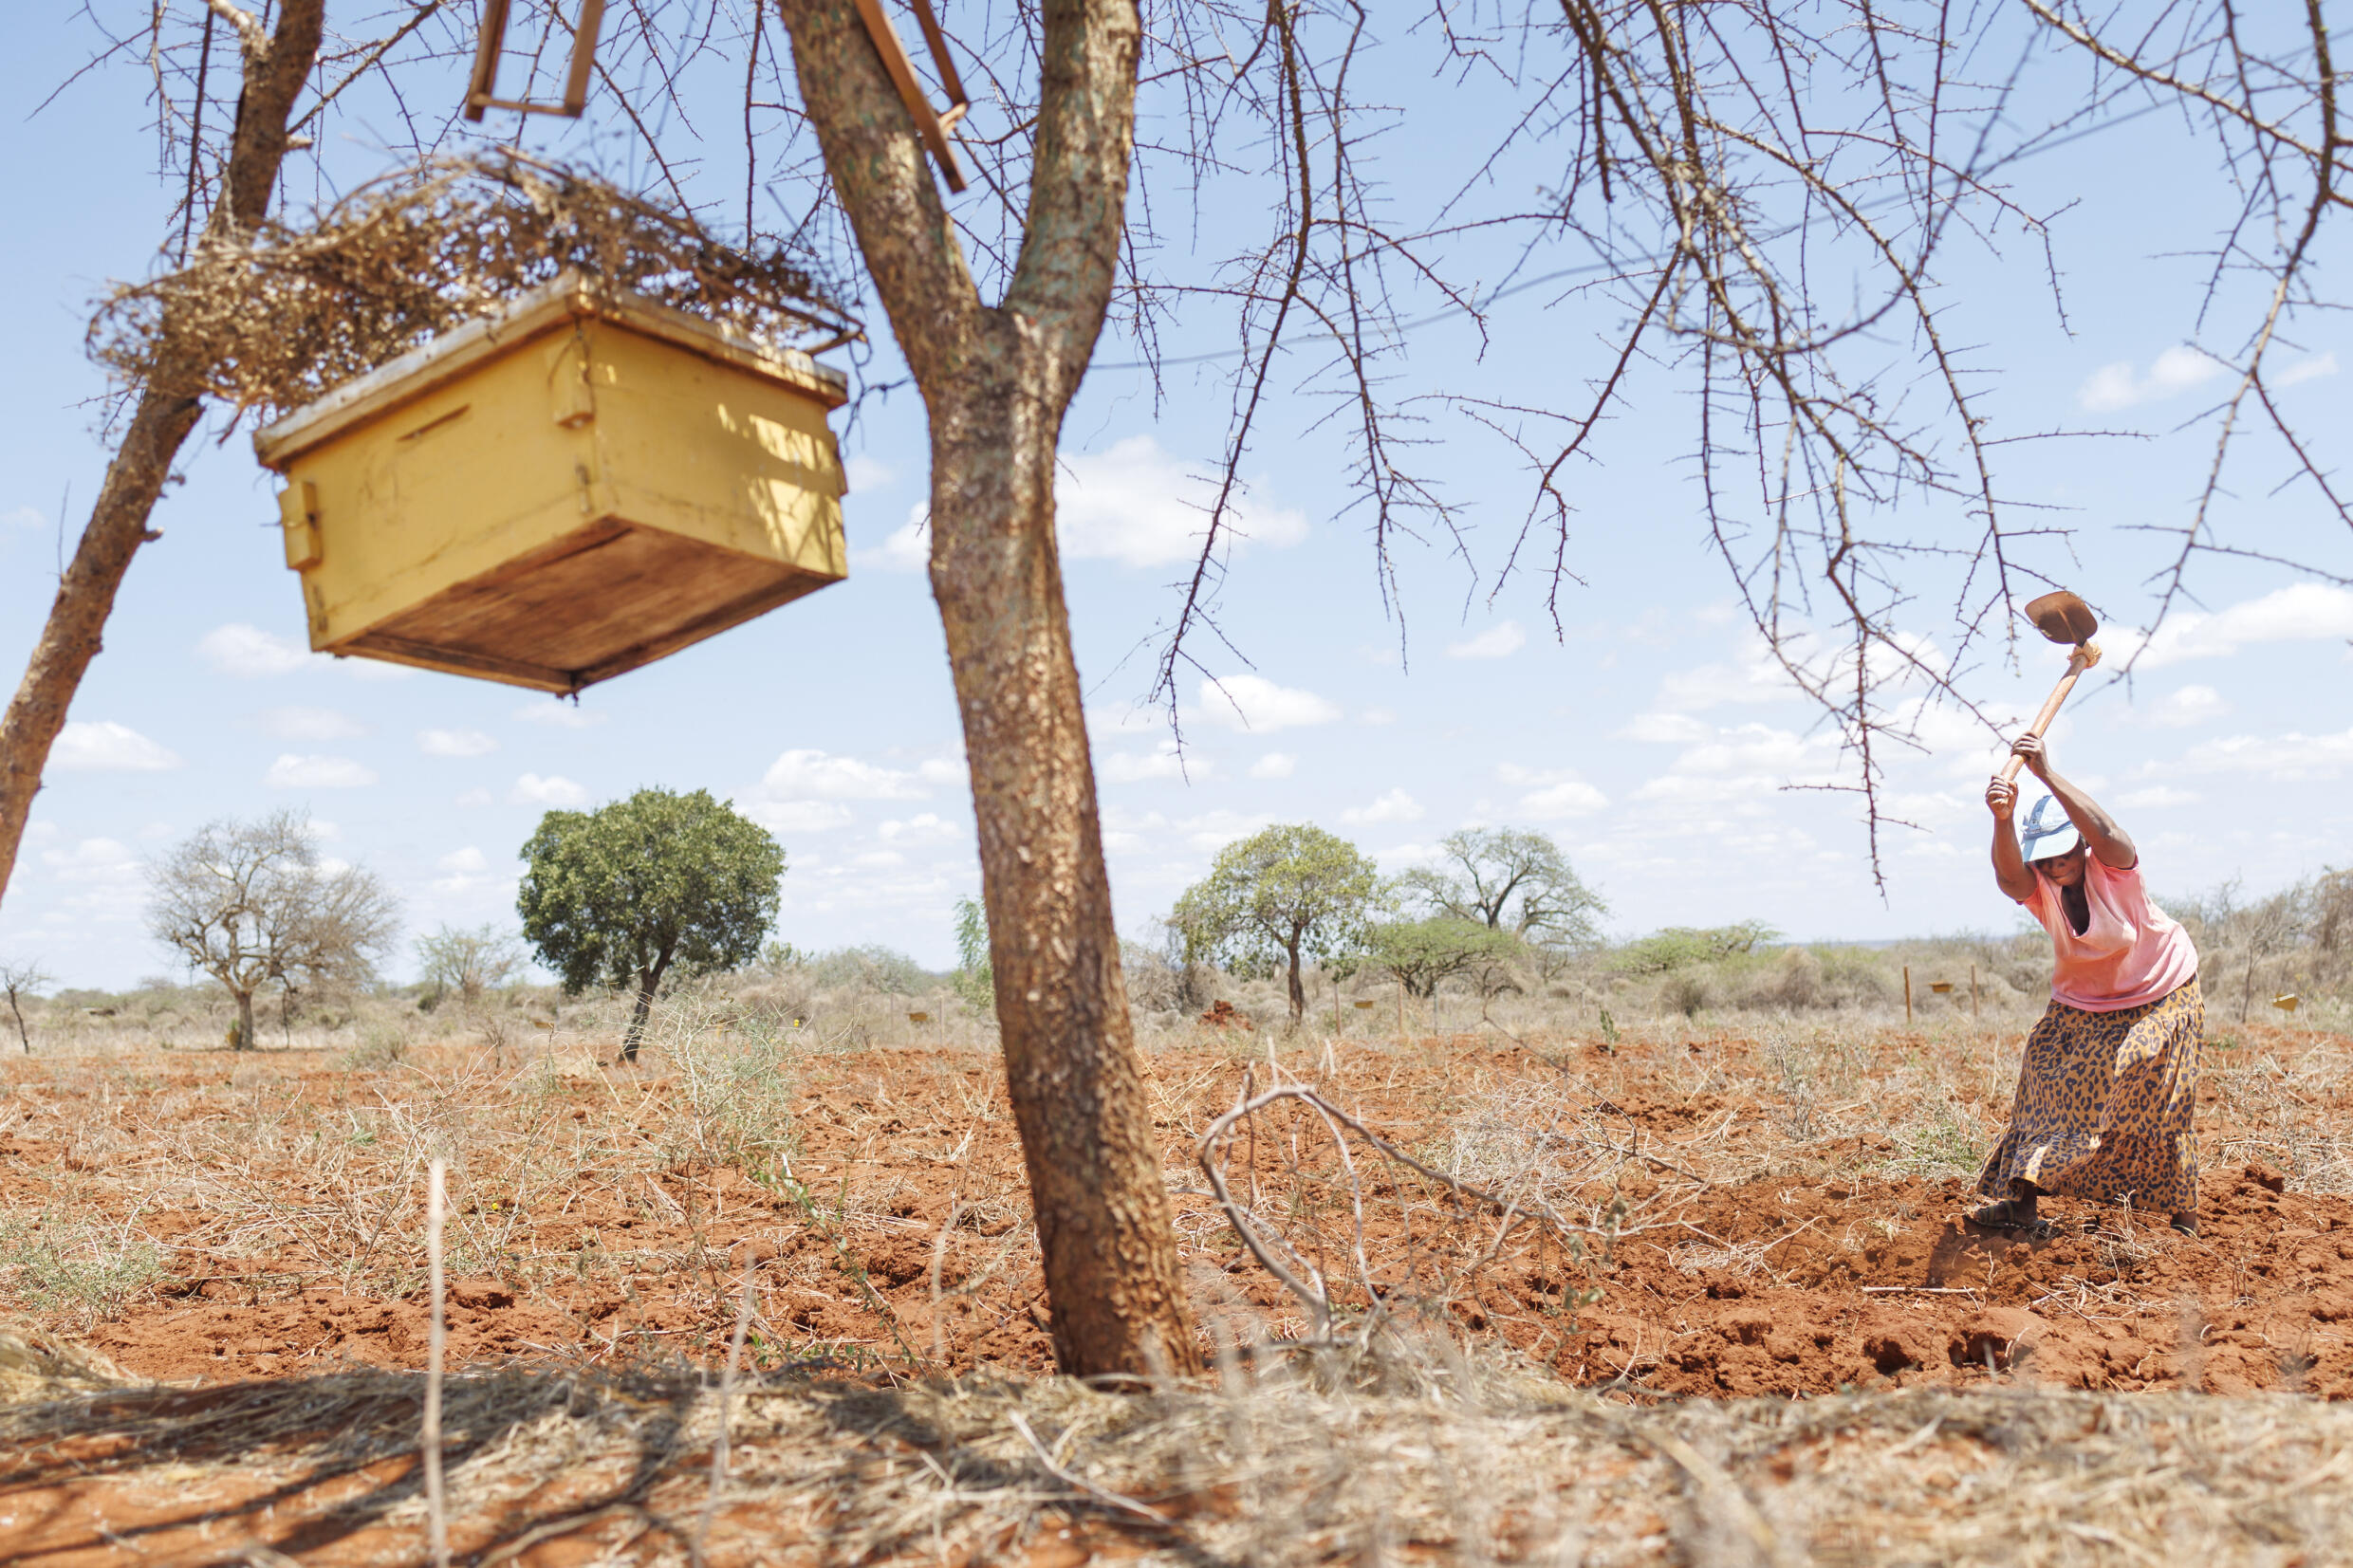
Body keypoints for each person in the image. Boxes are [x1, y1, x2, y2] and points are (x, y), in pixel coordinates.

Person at [1972, 733, 2203, 1237]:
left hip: (2162, 990)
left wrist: (2047, 775)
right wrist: (2003, 819)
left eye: (2063, 855)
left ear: (2079, 845)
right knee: (2042, 1068)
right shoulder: (2040, 889)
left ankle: (2184, 1215)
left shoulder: (2115, 869)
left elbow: (2109, 831)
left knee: (2145, 1086)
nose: (2056, 866)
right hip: (2084, 1001)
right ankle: (2021, 1201)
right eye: (2046, 859)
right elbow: (2008, 877)